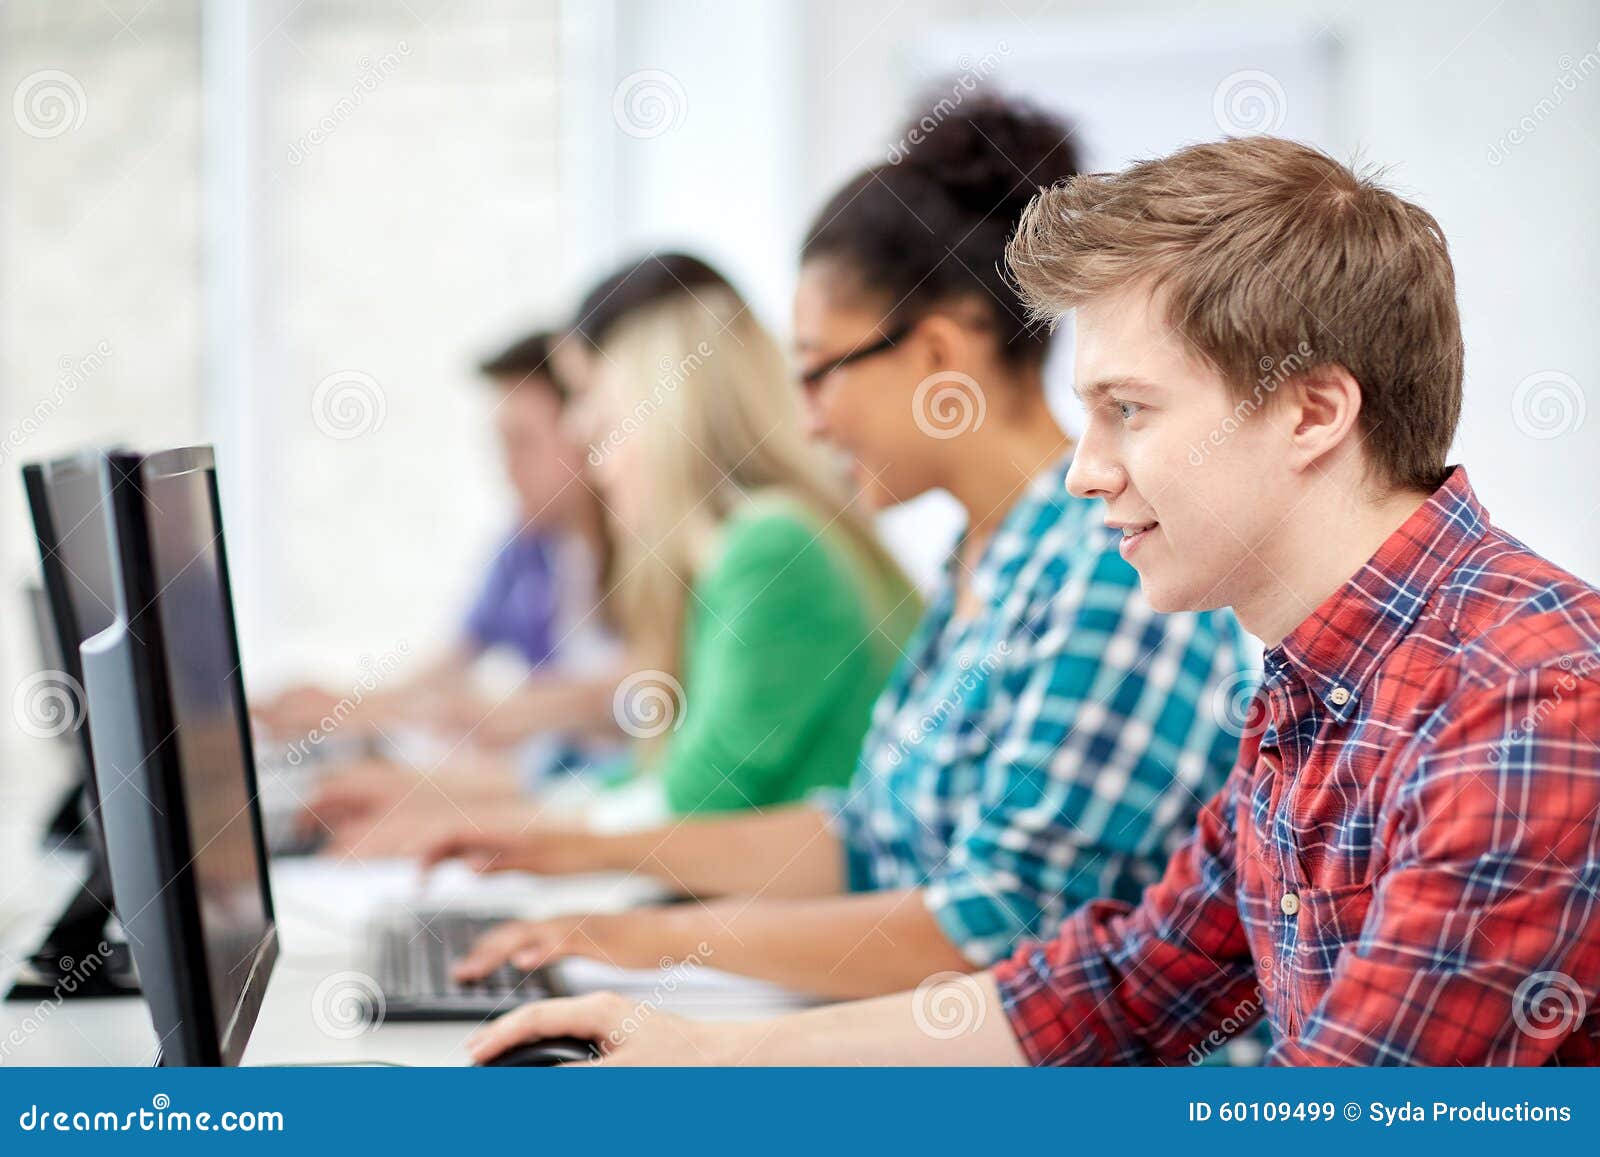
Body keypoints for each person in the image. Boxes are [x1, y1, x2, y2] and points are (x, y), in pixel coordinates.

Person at [461, 134, 1600, 1066]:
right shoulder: (1313, 687)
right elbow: (1112, 986)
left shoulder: (1525, 696)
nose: (1082, 467)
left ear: (1311, 413)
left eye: (1129, 411)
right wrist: (698, 1053)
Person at [424, 96, 1253, 1001]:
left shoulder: (1104, 568)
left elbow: (988, 928)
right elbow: (862, 838)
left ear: (937, 351)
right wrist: (568, 856)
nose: (809, 422)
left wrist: (650, 939)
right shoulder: (982, 561)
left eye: (820, 371)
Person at [313, 259, 921, 846]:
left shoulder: (771, 547)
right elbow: (660, 781)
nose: (578, 430)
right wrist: (449, 807)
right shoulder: (751, 544)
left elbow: (687, 805)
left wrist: (468, 823)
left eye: (587, 397)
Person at [255, 329, 621, 749]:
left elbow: (639, 685)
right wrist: (345, 707)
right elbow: (452, 662)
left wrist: (500, 713)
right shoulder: (525, 548)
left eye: (523, 443)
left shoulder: (639, 548)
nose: (508, 468)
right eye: (501, 445)